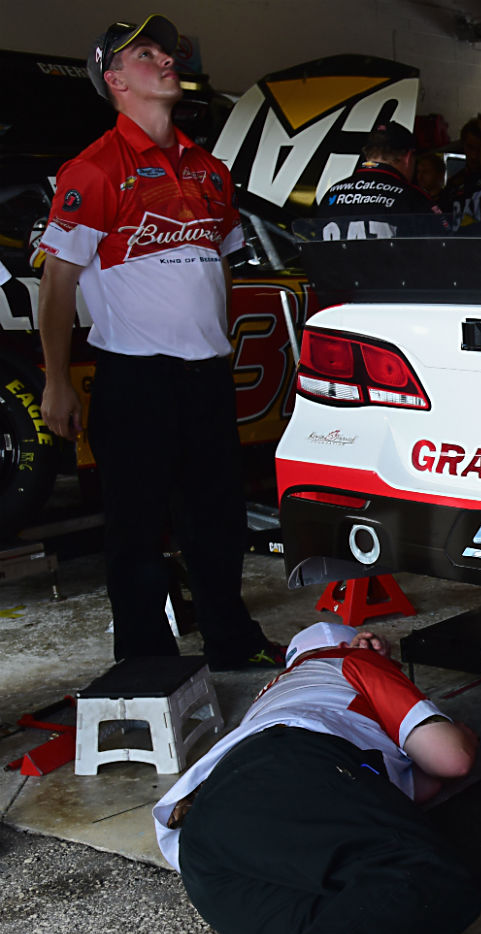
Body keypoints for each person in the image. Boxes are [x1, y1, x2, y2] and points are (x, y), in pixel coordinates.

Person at [37, 15, 280, 670]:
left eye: (166, 51)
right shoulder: (92, 170)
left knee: (219, 520)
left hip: (204, 377)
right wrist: (56, 380)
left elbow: (220, 267)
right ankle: (145, 659)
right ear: (115, 80)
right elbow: (57, 284)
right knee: (135, 530)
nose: (166, 59)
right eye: (145, 55)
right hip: (135, 378)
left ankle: (231, 642)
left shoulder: (209, 171)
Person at [144, 622, 481, 934]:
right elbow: (449, 757)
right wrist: (461, 729)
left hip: (213, 862)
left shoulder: (284, 692)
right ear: (346, 645)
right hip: (282, 771)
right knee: (434, 879)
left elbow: (407, 790)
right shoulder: (350, 663)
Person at [314, 121, 435, 239]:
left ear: (367, 155)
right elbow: (441, 249)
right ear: (408, 157)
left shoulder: (332, 193)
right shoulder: (414, 198)